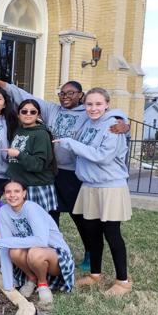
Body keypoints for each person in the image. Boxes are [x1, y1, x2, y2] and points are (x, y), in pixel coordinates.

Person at [0, 77, 130, 272]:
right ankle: (52, 248)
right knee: (53, 213)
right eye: (62, 93)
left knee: (79, 216)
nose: (66, 96)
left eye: (71, 93)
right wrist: (3, 85)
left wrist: (124, 122)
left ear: (80, 96)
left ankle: (89, 252)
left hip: (74, 172)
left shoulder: (87, 114)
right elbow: (27, 97)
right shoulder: (52, 110)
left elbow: (110, 114)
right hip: (51, 170)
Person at [54, 88, 133, 296]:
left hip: (110, 186)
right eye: (89, 104)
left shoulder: (113, 126)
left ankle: (123, 281)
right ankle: (95, 274)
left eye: (98, 104)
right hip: (89, 186)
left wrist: (70, 143)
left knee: (112, 234)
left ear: (107, 104)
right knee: (92, 232)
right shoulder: (88, 122)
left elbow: (102, 157)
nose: (93, 108)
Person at [0, 180, 75, 305]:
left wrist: (7, 241)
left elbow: (41, 241)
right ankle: (32, 278)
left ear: (24, 193)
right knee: (13, 251)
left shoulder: (31, 208)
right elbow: (5, 246)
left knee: (34, 252)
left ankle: (43, 284)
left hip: (56, 256)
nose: (12, 195)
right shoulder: (4, 211)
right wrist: (8, 285)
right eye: (8, 192)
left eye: (17, 191)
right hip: (31, 257)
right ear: (4, 194)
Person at [5, 99, 58, 215]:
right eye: (24, 111)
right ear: (18, 114)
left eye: (33, 112)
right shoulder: (19, 130)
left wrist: (18, 154)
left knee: (39, 224)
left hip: (36, 186)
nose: (28, 114)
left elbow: (38, 164)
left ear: (38, 115)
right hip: (20, 184)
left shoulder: (41, 134)